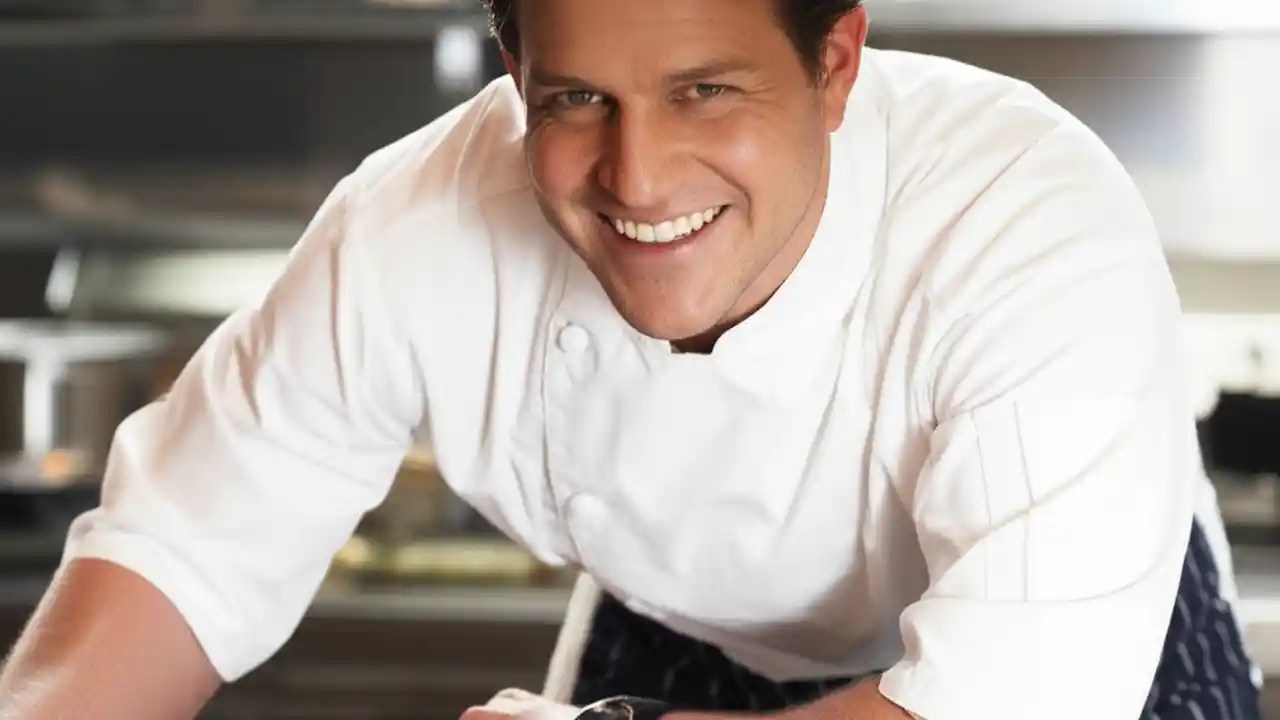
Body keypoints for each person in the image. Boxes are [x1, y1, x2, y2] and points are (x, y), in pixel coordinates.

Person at [0, 0, 1263, 718]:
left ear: (834, 63)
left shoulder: (1022, 220)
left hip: (1088, 651)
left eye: (705, 91)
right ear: (513, 71)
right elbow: (178, 551)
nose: (637, 179)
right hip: (690, 634)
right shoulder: (412, 229)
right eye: (574, 101)